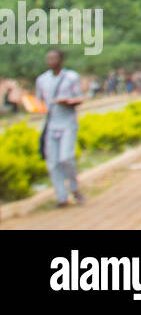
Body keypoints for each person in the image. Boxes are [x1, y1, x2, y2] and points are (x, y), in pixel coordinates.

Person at [34, 50, 85, 207]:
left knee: (66, 158)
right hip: (51, 125)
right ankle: (61, 197)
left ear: (61, 60)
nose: (51, 60)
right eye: (48, 58)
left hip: (68, 123)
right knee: (53, 163)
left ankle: (75, 189)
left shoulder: (71, 77)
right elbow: (38, 102)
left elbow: (79, 98)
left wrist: (67, 102)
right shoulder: (42, 80)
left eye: (54, 58)